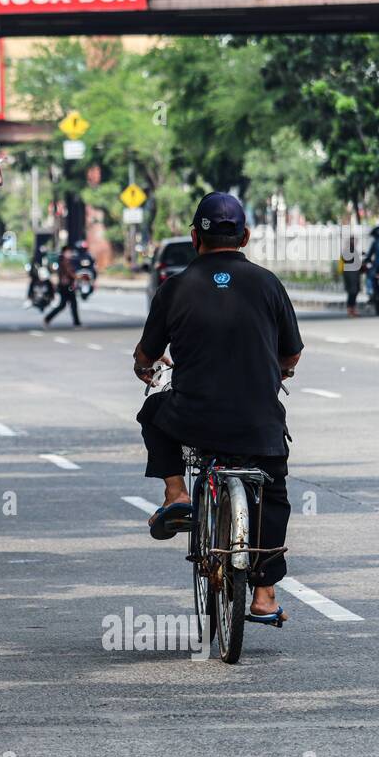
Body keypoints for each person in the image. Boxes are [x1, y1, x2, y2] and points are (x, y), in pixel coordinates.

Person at [132, 192, 303, 626]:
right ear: (245, 236)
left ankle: (177, 494)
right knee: (275, 491)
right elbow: (292, 354)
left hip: (194, 418)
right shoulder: (268, 283)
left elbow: (145, 356)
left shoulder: (175, 288)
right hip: (258, 424)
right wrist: (279, 370)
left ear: (194, 238)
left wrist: (148, 367)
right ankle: (264, 594)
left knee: (153, 412)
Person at [43, 244, 81, 328]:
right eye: (68, 252)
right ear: (64, 253)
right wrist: (77, 277)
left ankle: (47, 318)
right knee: (71, 304)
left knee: (63, 305)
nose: (70, 254)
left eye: (70, 252)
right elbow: (69, 273)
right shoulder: (64, 262)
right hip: (65, 286)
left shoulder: (66, 261)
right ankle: (77, 323)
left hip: (65, 286)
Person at [340, 232, 362, 316]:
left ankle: (352, 309)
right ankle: (350, 309)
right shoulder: (350, 250)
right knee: (352, 292)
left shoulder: (351, 250)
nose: (356, 242)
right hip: (351, 275)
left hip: (352, 274)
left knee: (353, 292)